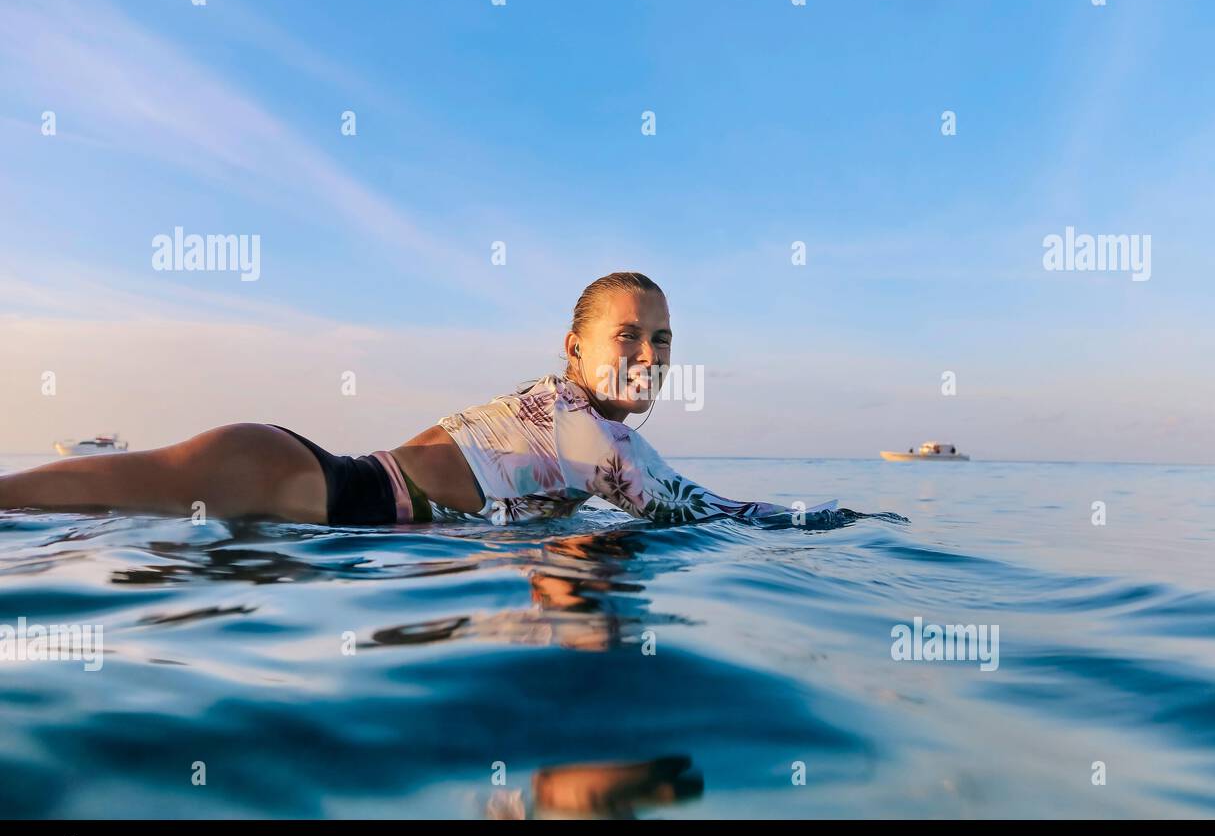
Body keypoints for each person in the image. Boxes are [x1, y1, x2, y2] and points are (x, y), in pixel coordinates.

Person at [0, 272, 813, 526]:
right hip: (297, 484)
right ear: (575, 351)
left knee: (49, 526)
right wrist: (825, 521)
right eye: (628, 336)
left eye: (662, 341)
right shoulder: (586, 433)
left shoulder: (573, 426)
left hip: (299, 482)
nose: (647, 356)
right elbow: (700, 512)